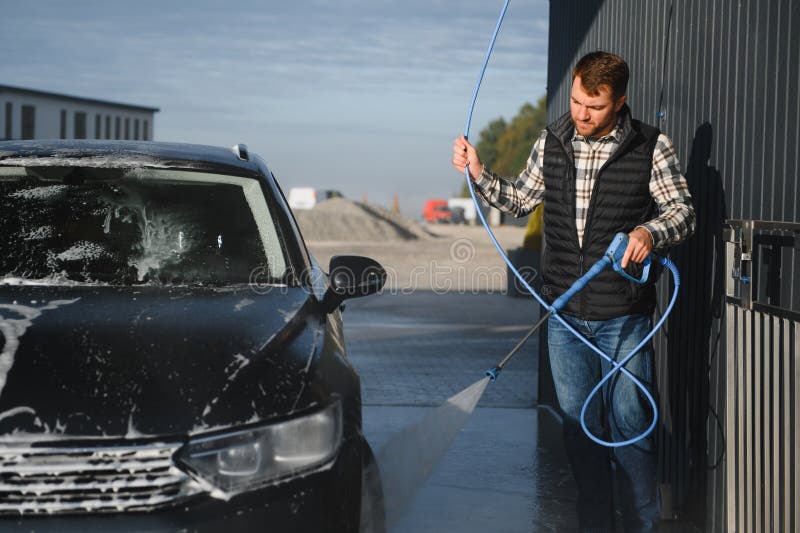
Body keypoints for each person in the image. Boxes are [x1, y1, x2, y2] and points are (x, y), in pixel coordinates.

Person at [452, 51, 695, 533]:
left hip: (623, 318)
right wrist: (478, 173)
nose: (581, 114)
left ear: (620, 102)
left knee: (630, 427)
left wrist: (650, 233)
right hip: (564, 316)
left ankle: (642, 523)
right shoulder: (552, 141)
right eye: (577, 100)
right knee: (580, 433)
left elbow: (683, 212)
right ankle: (595, 526)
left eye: (595, 106)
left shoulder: (652, 146)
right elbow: (519, 200)